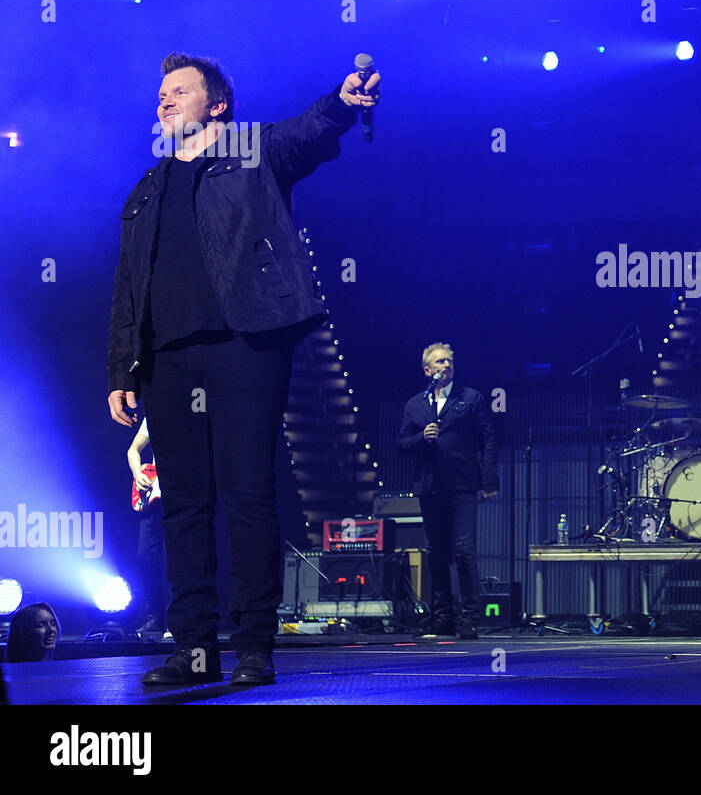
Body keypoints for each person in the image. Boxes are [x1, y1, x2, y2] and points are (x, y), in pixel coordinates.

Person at [107, 52, 379, 686]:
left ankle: (254, 645)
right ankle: (193, 649)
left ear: (217, 104)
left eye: (179, 90)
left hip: (243, 344)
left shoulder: (252, 153)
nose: (164, 100)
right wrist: (122, 368)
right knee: (181, 503)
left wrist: (342, 101)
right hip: (169, 358)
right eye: (160, 93)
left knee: (247, 492)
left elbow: (307, 132)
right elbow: (126, 286)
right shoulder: (147, 191)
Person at [397, 343, 498, 639]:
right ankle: (442, 617)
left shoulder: (470, 399)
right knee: (436, 554)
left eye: (450, 361)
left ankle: (470, 618)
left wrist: (489, 481)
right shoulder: (416, 404)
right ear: (427, 370)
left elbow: (489, 440)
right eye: (440, 362)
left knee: (464, 552)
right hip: (430, 487)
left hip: (463, 485)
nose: (446, 365)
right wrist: (420, 437)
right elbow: (401, 445)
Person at [127, 417, 167, 633]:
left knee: (180, 560)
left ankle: (182, 619)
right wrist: (138, 474)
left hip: (186, 494)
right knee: (145, 558)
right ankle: (155, 617)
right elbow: (133, 449)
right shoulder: (156, 409)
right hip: (155, 497)